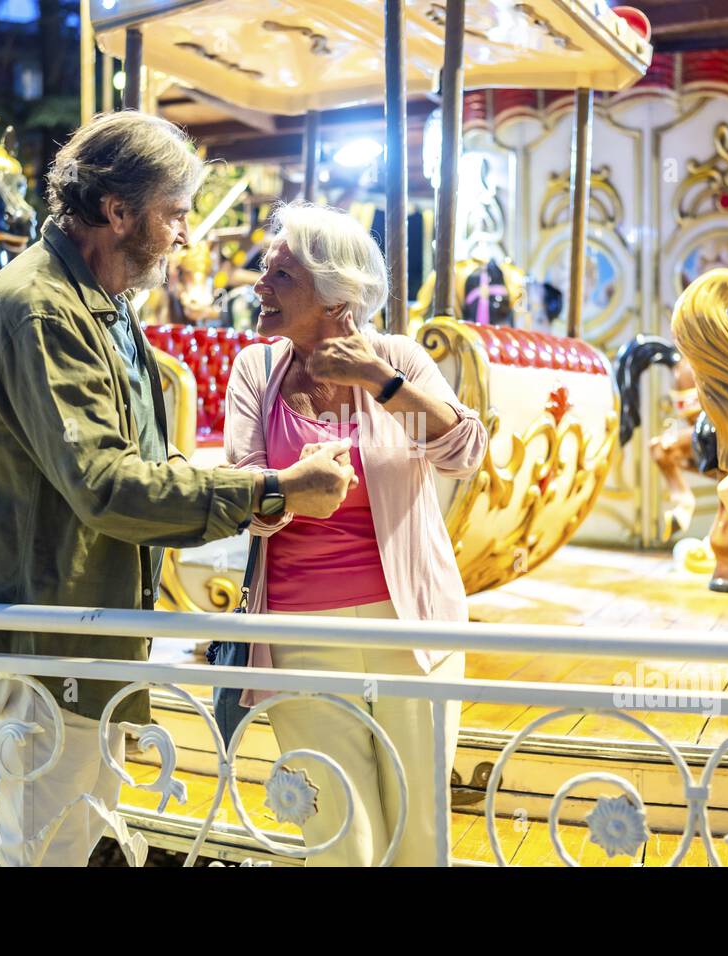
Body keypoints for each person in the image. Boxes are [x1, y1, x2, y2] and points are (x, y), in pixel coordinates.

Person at [0, 113, 356, 866]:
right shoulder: (41, 308)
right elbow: (106, 485)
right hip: (48, 643)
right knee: (45, 850)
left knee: (81, 834)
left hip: (88, 633)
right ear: (117, 210)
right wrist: (274, 490)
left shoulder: (101, 301)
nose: (187, 236)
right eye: (175, 213)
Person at [223, 203, 488, 866]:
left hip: (414, 631)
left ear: (334, 293)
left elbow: (463, 451)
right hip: (299, 636)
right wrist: (292, 490)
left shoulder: (398, 359)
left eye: (280, 276)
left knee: (419, 839)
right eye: (265, 272)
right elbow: (243, 498)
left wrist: (377, 379)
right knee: (340, 840)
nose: (259, 287)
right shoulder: (256, 372)